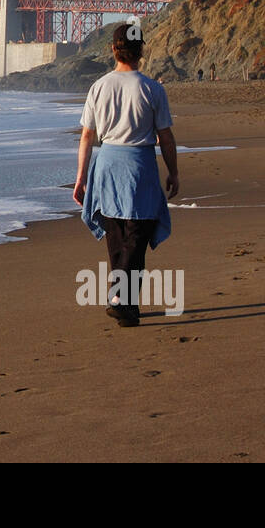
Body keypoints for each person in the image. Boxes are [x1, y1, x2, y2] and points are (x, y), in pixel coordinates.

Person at [73, 24, 179, 327]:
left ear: (113, 50)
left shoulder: (99, 87)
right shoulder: (152, 89)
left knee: (117, 238)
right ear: (141, 50)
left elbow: (87, 137)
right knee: (136, 237)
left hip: (107, 165)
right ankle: (120, 298)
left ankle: (126, 306)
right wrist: (173, 172)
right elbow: (166, 137)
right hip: (139, 167)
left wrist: (81, 177)